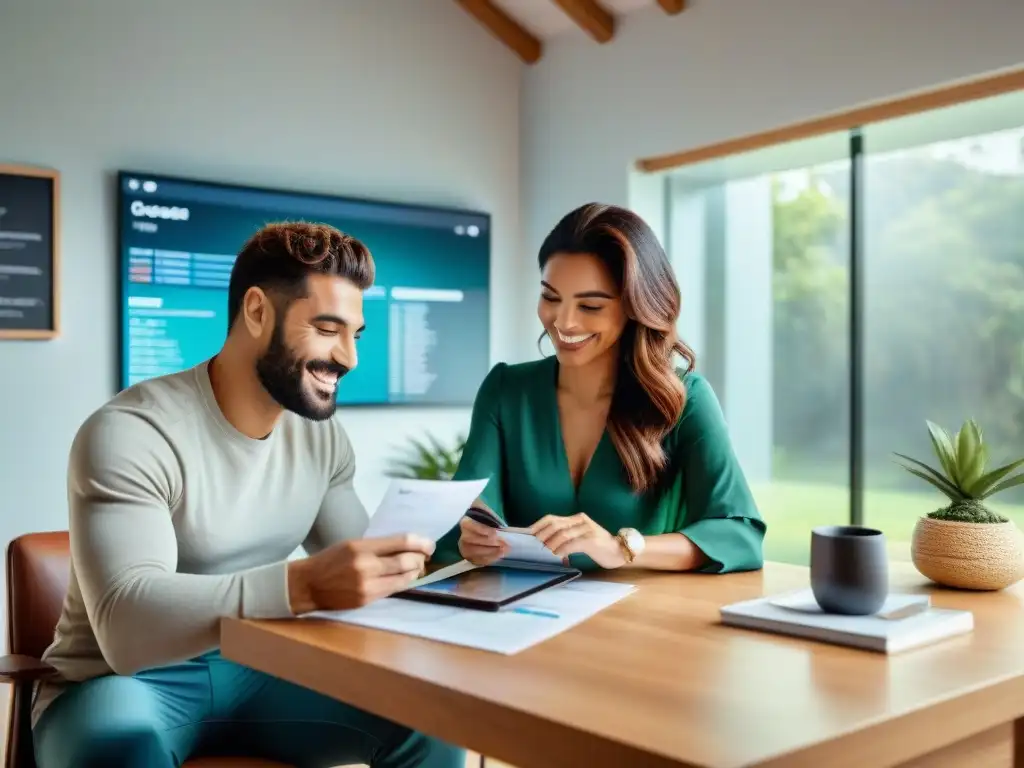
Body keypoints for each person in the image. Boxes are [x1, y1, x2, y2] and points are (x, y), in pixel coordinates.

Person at [32, 222, 463, 768]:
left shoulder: (321, 437)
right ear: (257, 312)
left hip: (262, 666)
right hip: (119, 684)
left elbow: (365, 581)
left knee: (434, 724)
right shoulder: (132, 431)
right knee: (120, 748)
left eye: (356, 334)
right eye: (329, 329)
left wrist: (450, 556)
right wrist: (301, 585)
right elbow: (126, 630)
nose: (349, 357)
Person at [434, 203, 766, 573]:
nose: (563, 321)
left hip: (637, 620)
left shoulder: (684, 398)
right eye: (550, 297)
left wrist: (621, 547)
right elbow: (461, 524)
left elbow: (740, 536)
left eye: (590, 305)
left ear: (635, 306)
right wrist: (471, 541)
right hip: (522, 615)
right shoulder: (506, 390)